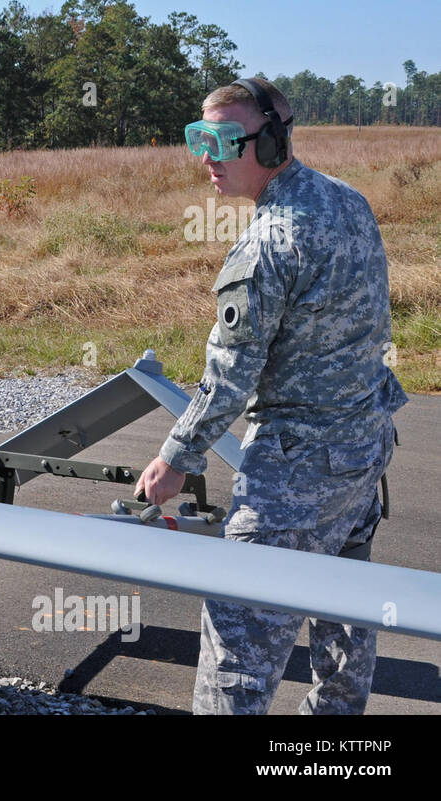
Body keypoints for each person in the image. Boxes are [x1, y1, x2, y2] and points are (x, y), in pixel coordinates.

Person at [135, 77, 408, 715]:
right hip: (363, 453)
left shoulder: (269, 241)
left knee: (237, 642)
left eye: (225, 140)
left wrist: (176, 459)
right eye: (197, 139)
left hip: (296, 471)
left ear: (273, 140)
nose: (207, 155)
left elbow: (229, 374)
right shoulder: (348, 201)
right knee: (343, 621)